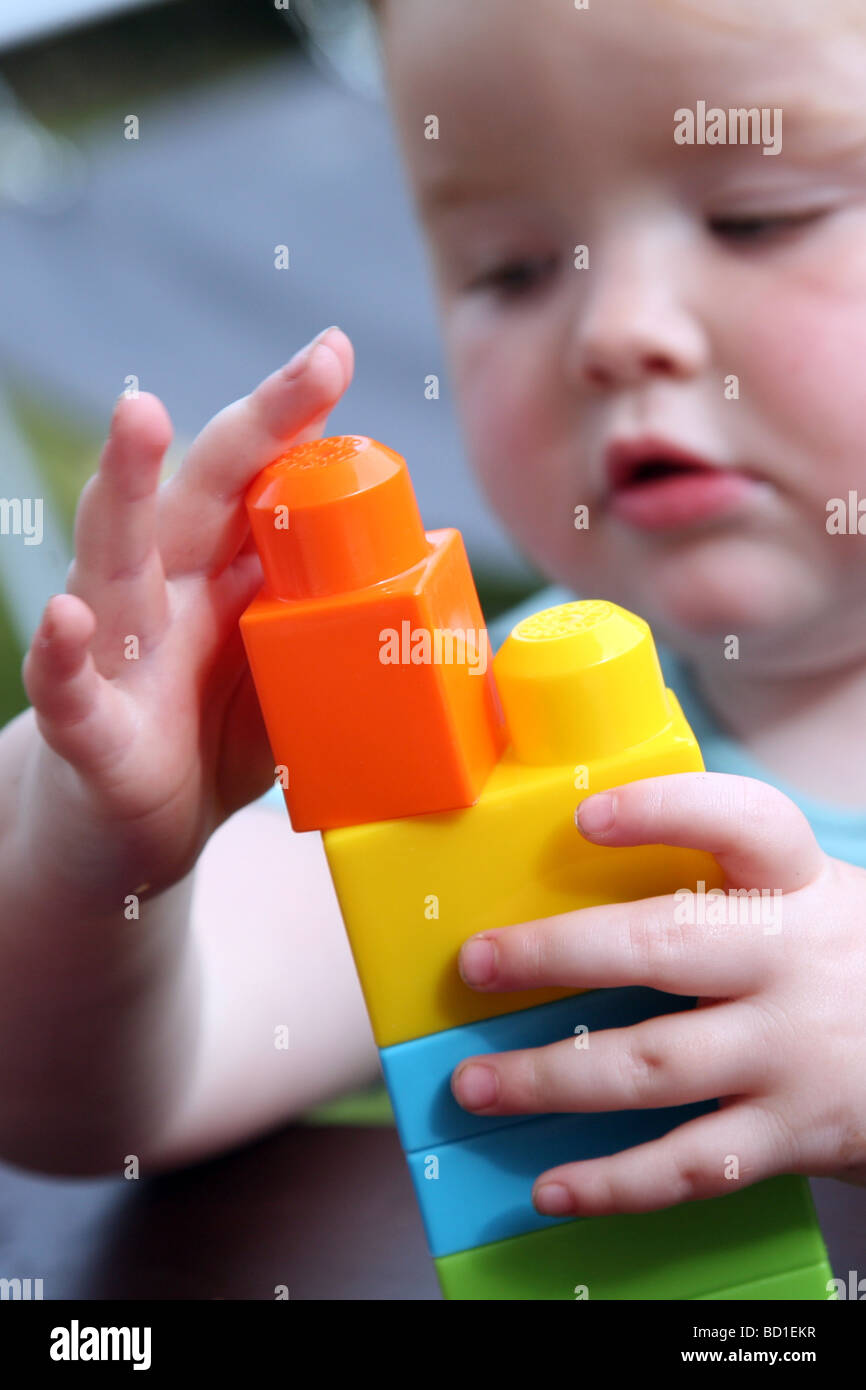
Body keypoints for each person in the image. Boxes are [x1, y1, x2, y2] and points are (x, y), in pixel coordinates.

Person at [2, 0, 865, 1262]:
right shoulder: (467, 729)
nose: (613, 330)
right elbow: (93, 1114)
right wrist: (91, 864)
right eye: (509, 268)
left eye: (757, 217)